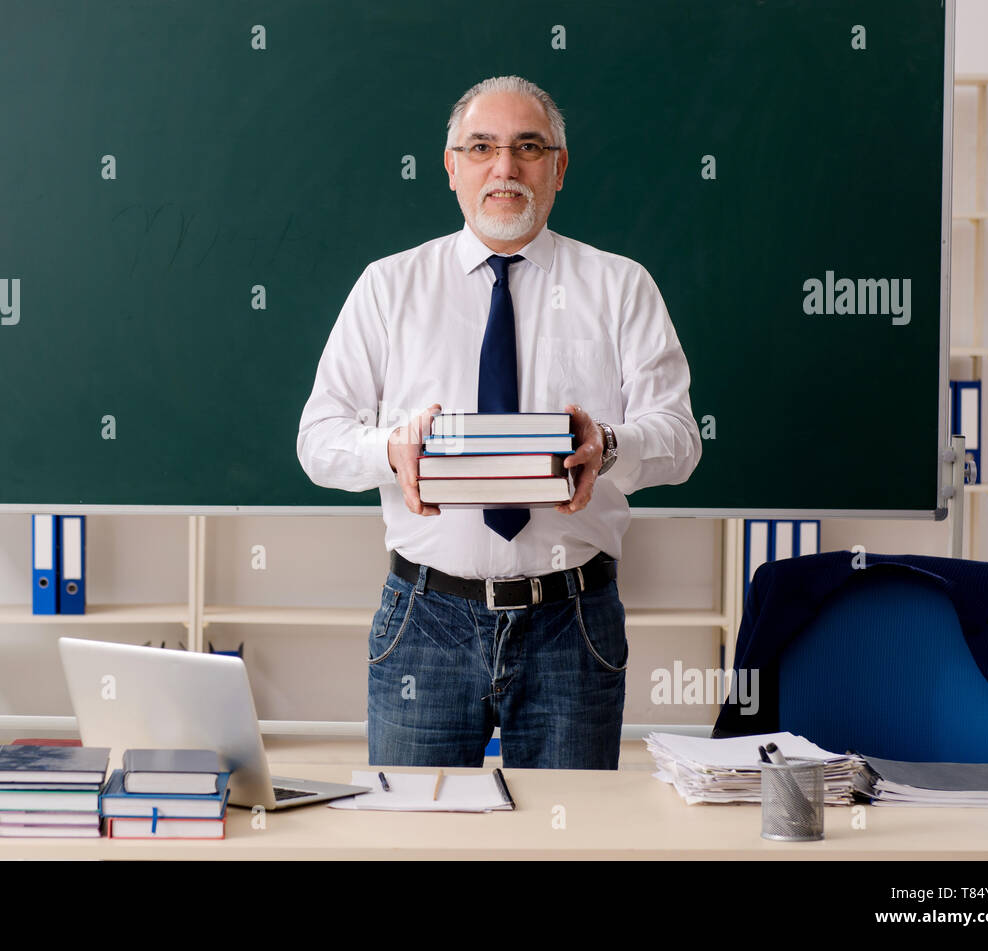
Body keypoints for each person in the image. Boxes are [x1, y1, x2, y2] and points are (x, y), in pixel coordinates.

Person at [296, 75, 701, 769]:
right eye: (481, 147)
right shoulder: (388, 287)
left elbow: (681, 441)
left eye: (528, 147)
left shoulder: (620, 286)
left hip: (573, 622)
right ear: (452, 166)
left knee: (567, 839)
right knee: (414, 839)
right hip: (425, 617)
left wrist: (608, 446)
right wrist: (390, 449)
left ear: (559, 168)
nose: (505, 167)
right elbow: (318, 440)